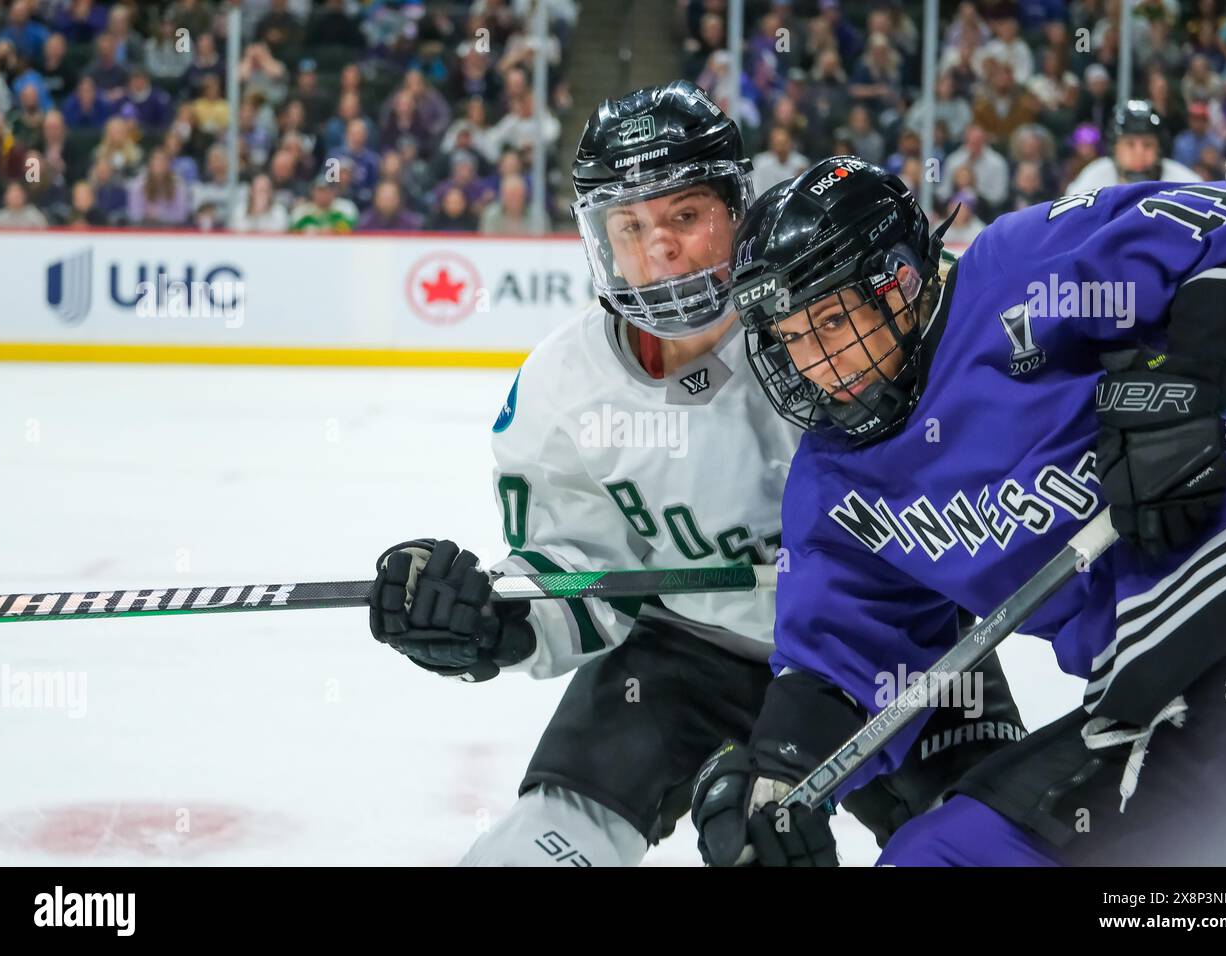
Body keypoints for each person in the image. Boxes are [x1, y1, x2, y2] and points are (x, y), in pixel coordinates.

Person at [365, 85, 1026, 867]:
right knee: (541, 846)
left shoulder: (833, 318)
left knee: (999, 837)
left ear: (737, 207)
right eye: (631, 226)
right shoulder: (562, 389)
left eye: (685, 216)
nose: (662, 248)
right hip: (685, 653)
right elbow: (581, 575)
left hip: (884, 633)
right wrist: (492, 619)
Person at [693, 156, 1226, 866]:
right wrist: (775, 775)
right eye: (791, 338)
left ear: (902, 280)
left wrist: (1187, 382)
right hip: (1151, 710)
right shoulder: (835, 481)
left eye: (831, 318)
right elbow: (836, 660)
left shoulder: (1020, 268)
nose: (820, 362)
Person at [1066, 100, 1199, 194]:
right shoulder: (1094, 178)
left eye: (1147, 145)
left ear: (1159, 149)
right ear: (1115, 148)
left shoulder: (1184, 182)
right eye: (1130, 144)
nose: (1139, 152)